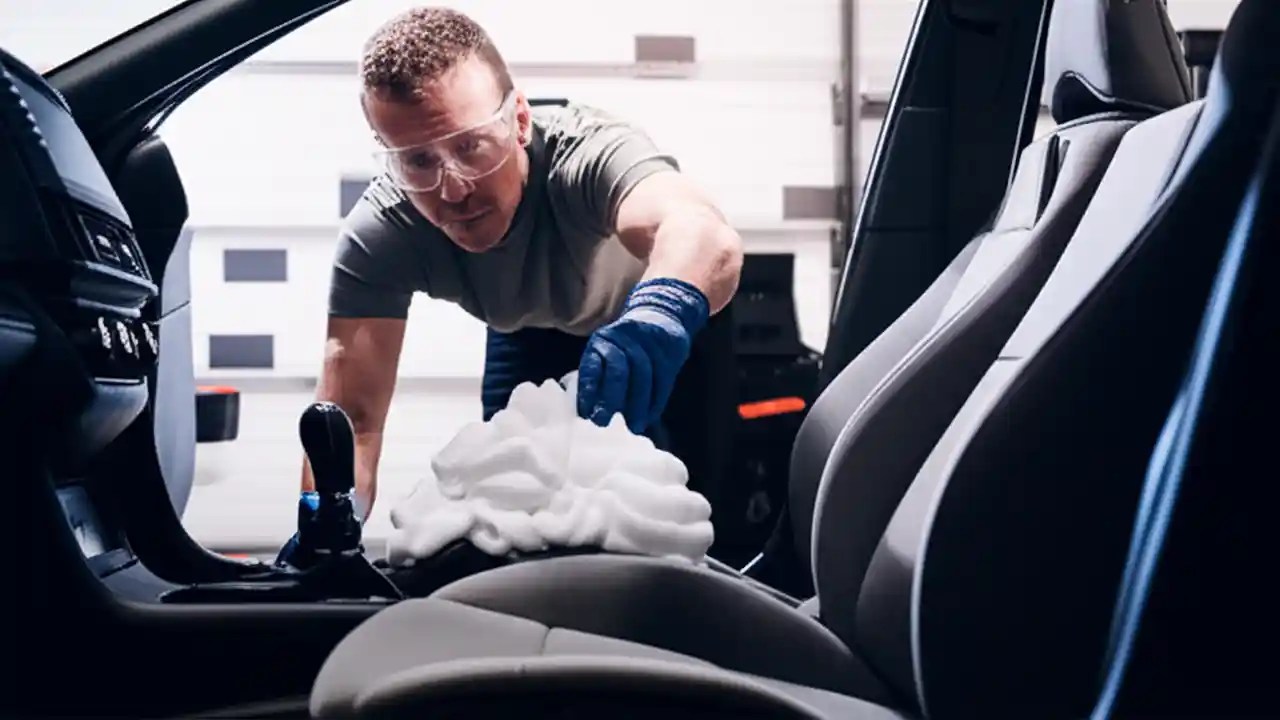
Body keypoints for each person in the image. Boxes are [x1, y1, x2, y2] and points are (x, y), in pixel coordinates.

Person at [276, 6, 743, 568]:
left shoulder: (586, 154)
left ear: (519, 119)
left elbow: (704, 232)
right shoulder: (384, 233)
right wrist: (328, 515)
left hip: (655, 331)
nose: (452, 190)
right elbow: (354, 417)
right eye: (417, 160)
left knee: (687, 526)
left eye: (471, 145)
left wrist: (659, 313)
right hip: (527, 333)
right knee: (515, 520)